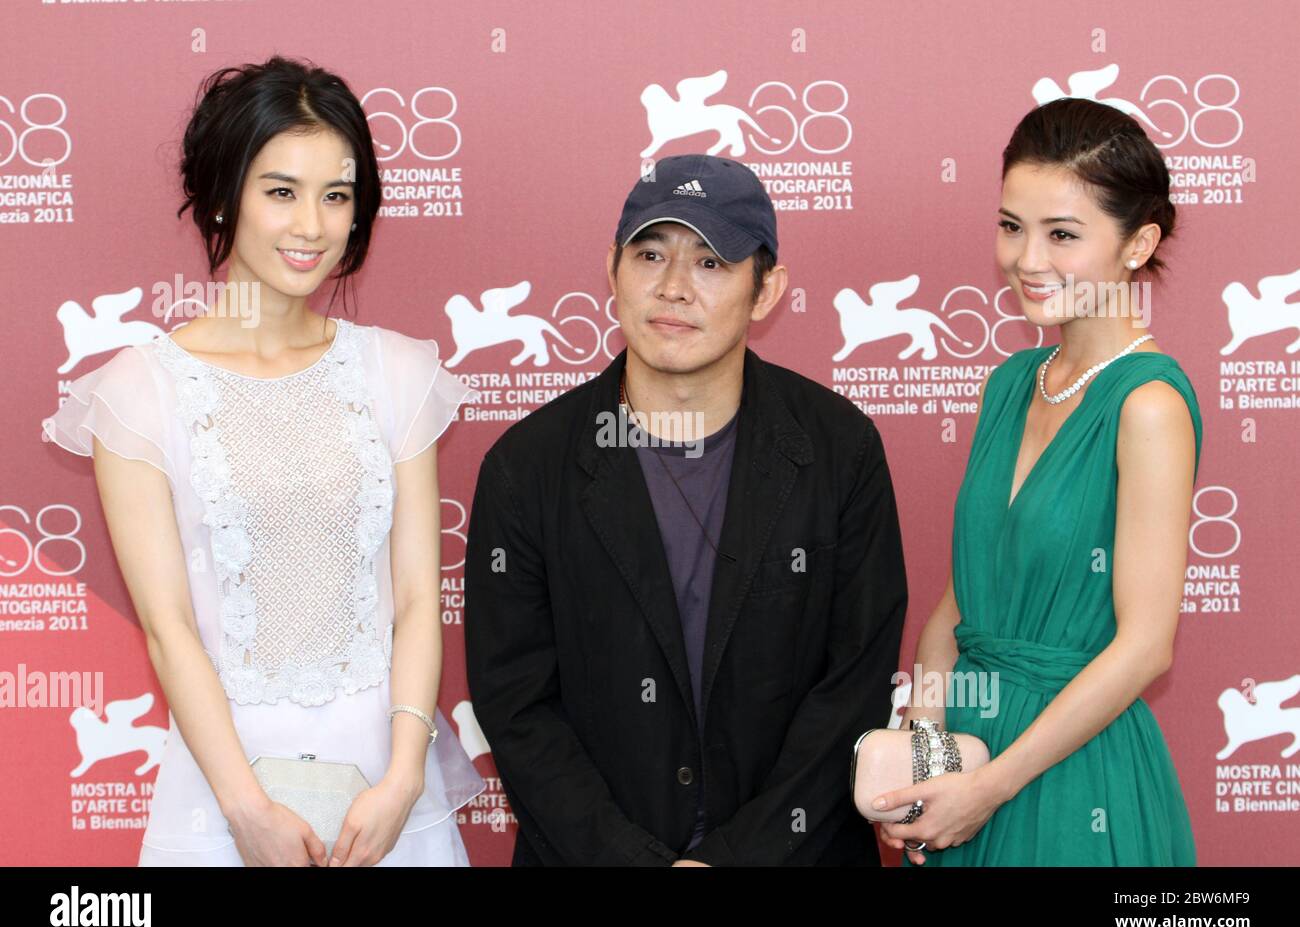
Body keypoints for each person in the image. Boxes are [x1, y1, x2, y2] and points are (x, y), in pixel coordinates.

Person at [41, 56, 483, 866]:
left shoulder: (396, 374)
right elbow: (171, 631)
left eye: (336, 194)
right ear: (220, 197)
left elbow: (421, 597)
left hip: (387, 798)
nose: (311, 224)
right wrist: (246, 811)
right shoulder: (138, 394)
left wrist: (405, 779)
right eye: (280, 191)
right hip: (222, 798)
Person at [464, 154, 908, 865]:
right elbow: (515, 705)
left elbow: (852, 688)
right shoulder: (528, 466)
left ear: (767, 292)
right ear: (611, 269)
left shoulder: (838, 449)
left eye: (711, 263)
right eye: (650, 254)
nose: (673, 288)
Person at [874, 98, 1200, 865]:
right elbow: (963, 602)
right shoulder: (1011, 383)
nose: (1027, 259)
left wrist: (990, 787)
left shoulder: (1148, 405)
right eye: (1011, 226)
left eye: (1062, 235)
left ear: (1138, 243)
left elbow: (1146, 647)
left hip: (1069, 776)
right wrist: (926, 760)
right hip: (969, 760)